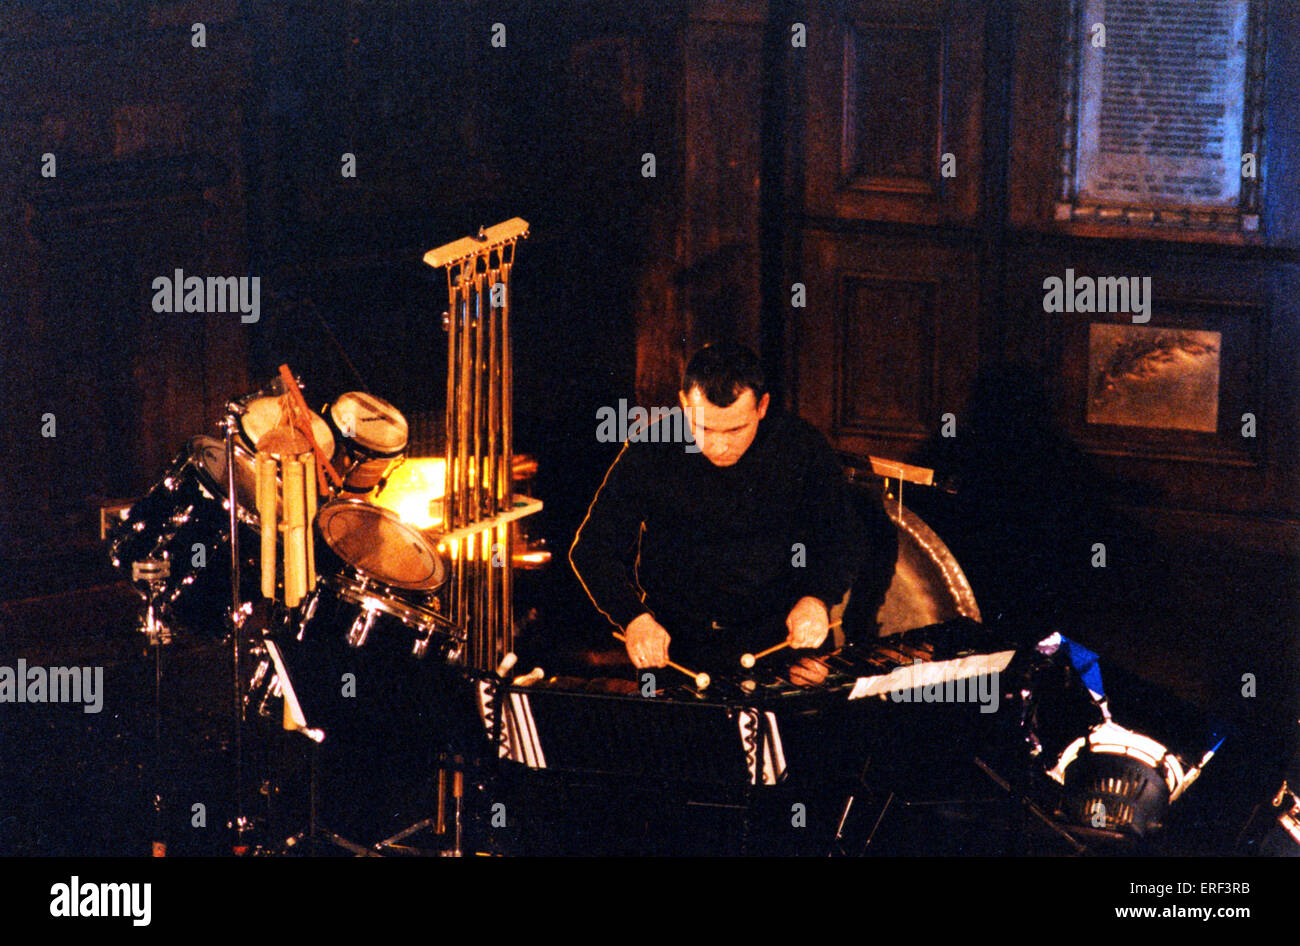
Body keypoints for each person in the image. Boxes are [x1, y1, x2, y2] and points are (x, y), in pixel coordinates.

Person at [569, 342, 871, 680]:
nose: (719, 445)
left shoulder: (802, 447)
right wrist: (633, 618)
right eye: (704, 428)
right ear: (684, 404)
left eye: (735, 429)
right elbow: (592, 550)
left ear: (762, 406)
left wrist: (818, 599)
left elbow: (845, 537)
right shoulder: (651, 449)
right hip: (676, 645)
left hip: (780, 639)